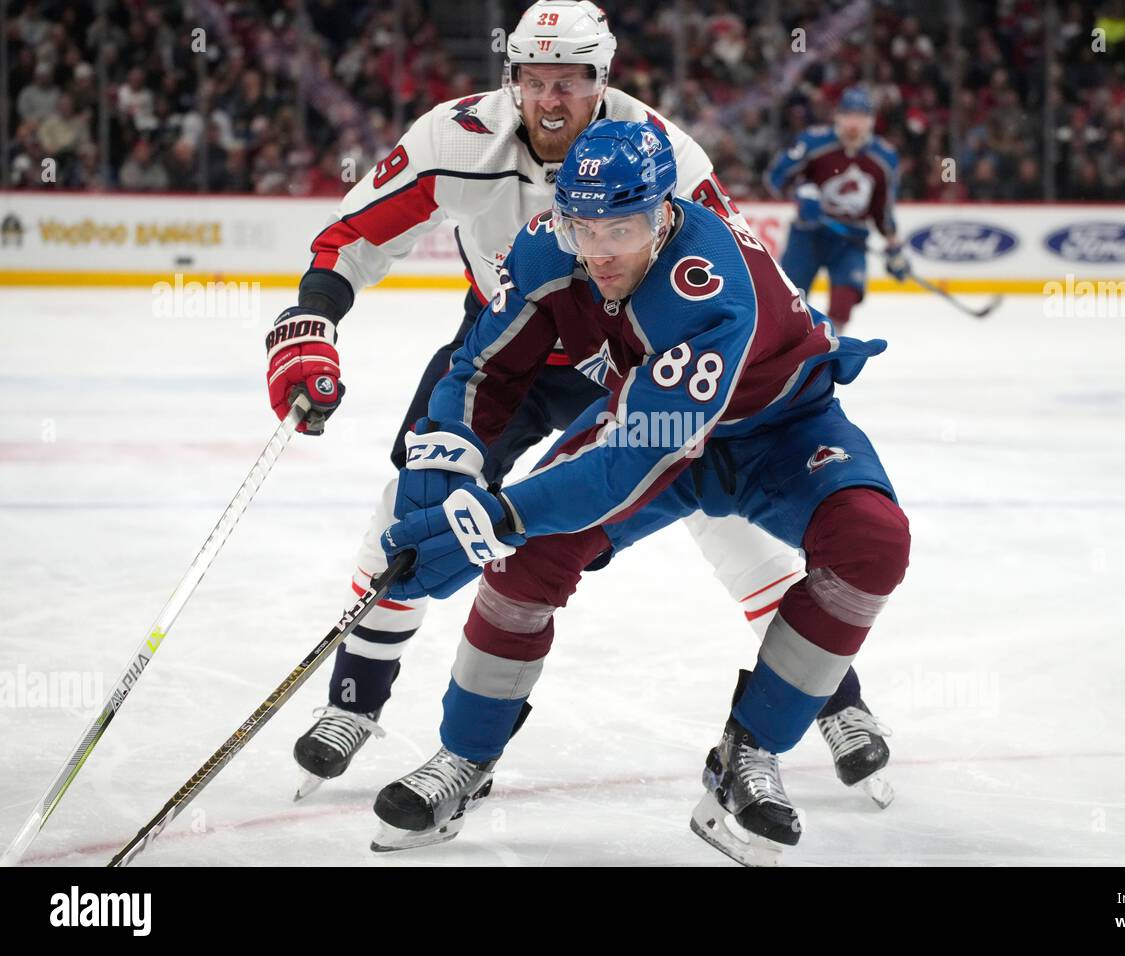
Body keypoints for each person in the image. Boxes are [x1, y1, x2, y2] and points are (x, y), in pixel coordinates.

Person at [263, 1, 894, 807]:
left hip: (635, 357)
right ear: (511, 78)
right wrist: (312, 319)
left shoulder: (663, 151)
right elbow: (355, 235)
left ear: (603, 79)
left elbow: (733, 271)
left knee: (724, 520)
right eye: (534, 80)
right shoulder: (452, 138)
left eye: (569, 81)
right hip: (514, 342)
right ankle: (354, 700)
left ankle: (828, 696)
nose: (550, 99)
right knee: (413, 498)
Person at [370, 119, 912, 866]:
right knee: (525, 566)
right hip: (650, 416)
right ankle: (464, 755)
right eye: (582, 227)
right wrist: (441, 468)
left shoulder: (708, 284)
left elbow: (630, 460)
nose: (598, 251)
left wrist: (501, 513)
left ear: (664, 215)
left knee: (872, 544)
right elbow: (484, 369)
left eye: (621, 228)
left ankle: (750, 751)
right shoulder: (547, 247)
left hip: (776, 428)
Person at [765, 86, 907, 330]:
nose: (853, 123)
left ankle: (831, 345)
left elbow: (882, 209)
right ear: (837, 117)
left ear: (871, 121)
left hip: (851, 238)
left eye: (861, 116)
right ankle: (790, 348)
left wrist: (893, 246)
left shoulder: (884, 157)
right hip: (808, 233)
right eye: (848, 115)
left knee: (843, 303)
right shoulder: (813, 142)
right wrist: (799, 195)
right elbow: (775, 178)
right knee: (789, 302)